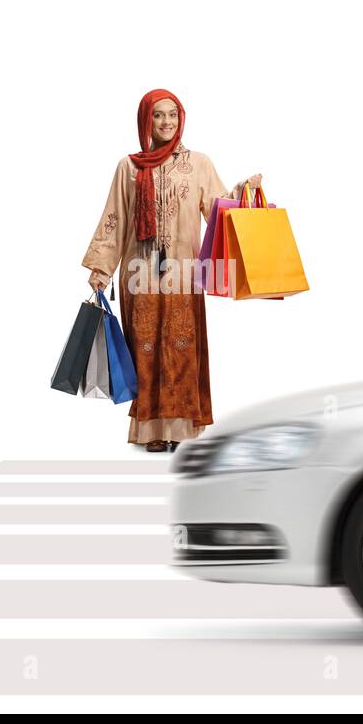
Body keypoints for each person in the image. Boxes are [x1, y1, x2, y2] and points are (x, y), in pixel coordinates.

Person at [82, 89, 261, 453]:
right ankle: (151, 431)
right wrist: (101, 266)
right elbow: (114, 218)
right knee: (145, 351)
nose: (166, 122)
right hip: (140, 274)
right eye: (158, 116)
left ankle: (178, 427)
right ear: (146, 120)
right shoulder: (129, 167)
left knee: (181, 349)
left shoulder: (198, 163)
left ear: (181, 120)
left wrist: (243, 192)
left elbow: (218, 213)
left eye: (173, 115)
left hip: (183, 274)